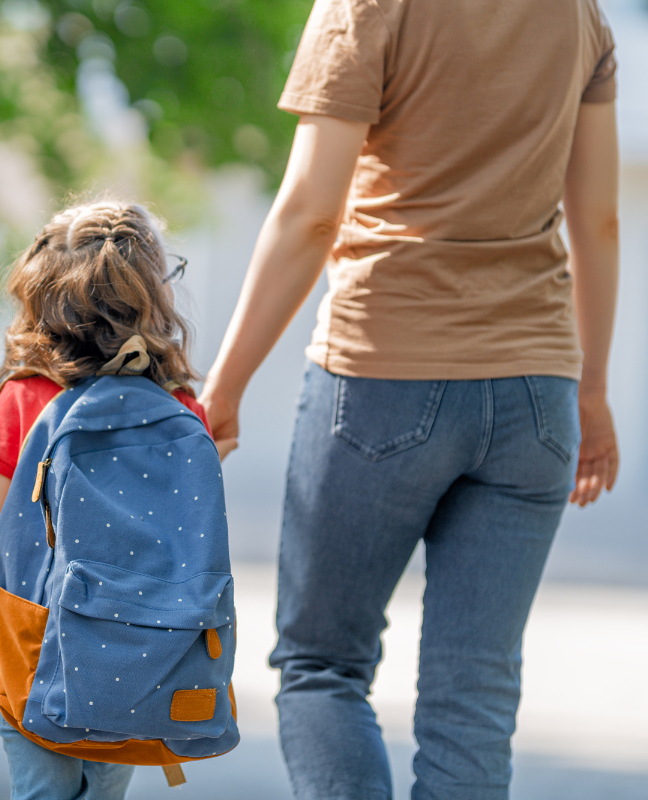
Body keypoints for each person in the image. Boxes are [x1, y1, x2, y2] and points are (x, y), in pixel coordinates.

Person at [197, 0, 622, 798]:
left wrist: (225, 386)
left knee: (322, 666)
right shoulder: (578, 12)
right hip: (537, 392)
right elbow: (597, 219)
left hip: (381, 374)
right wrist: (591, 390)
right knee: (474, 703)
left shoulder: (367, 7)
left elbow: (310, 213)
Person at [0, 200, 230, 800]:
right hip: (140, 653)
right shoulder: (180, 408)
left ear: (44, 296)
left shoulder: (29, 399)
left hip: (31, 648)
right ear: (152, 298)